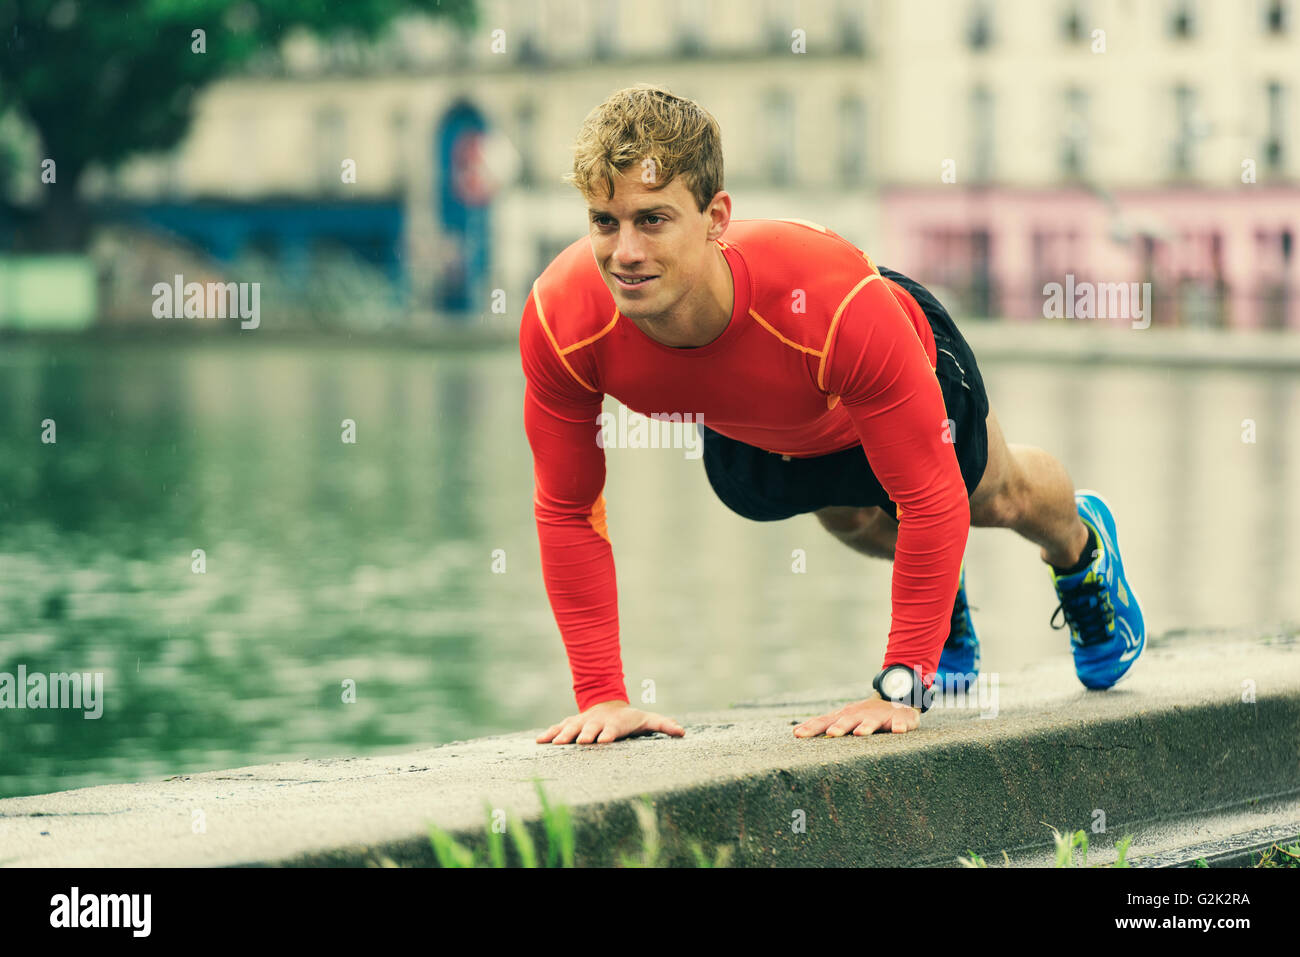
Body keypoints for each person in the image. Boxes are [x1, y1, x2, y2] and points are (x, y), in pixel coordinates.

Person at [521, 84, 1144, 745]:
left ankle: (1082, 551)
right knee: (848, 514)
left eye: (652, 219)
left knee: (994, 495)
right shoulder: (562, 319)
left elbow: (933, 495)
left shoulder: (825, 298)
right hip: (768, 426)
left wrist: (903, 679)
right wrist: (601, 696)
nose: (625, 253)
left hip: (900, 361)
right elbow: (566, 508)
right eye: (604, 222)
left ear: (716, 216)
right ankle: (936, 588)